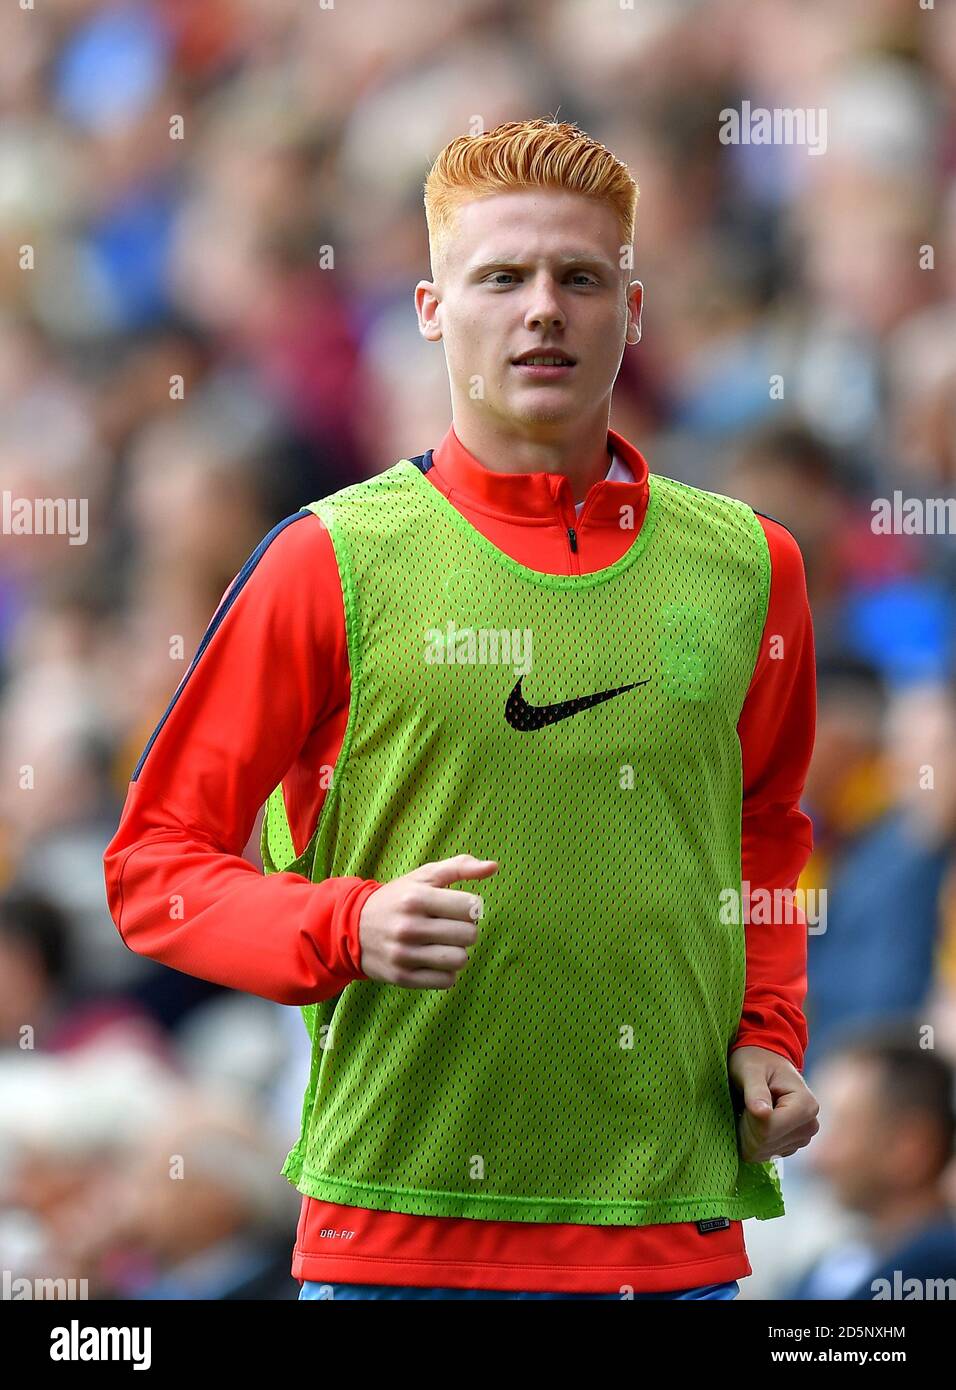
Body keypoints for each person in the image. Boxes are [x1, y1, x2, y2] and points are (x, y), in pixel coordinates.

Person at [103, 117, 820, 1300]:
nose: (543, 308)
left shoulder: (752, 566)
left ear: (630, 312)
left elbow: (765, 831)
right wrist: (344, 926)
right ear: (432, 308)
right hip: (398, 1241)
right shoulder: (325, 559)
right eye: (502, 277)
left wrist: (767, 1031)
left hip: (671, 1238)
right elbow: (151, 869)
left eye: (579, 278)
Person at [786, 1025, 956, 1300]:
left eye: (837, 1129)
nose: (817, 1160)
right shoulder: (836, 1265)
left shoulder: (936, 1267)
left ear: (910, 1146)